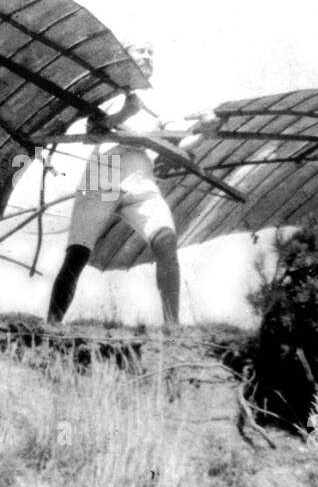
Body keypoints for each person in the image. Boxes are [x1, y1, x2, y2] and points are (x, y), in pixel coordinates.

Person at [47, 43, 206, 327]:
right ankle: (52, 324)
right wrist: (125, 114)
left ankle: (172, 325)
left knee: (166, 239)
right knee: (78, 253)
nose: (146, 56)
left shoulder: (160, 104)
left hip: (140, 177)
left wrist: (206, 131)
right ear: (125, 58)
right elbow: (94, 131)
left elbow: (179, 145)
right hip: (103, 174)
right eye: (139, 52)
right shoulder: (108, 90)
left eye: (150, 52)